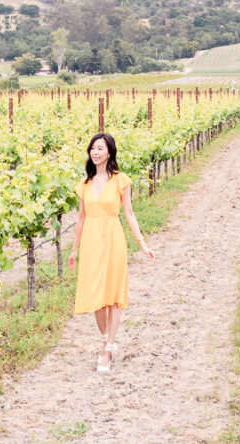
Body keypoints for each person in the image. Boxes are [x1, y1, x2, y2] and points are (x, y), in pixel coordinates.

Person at [68, 133, 155, 372]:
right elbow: (80, 218)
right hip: (91, 240)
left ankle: (108, 348)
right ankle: (106, 337)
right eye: (92, 149)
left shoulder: (120, 181)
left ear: (109, 153)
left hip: (114, 238)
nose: (95, 152)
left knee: (114, 296)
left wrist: (142, 243)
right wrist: (74, 250)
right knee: (95, 296)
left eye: (100, 148)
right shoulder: (85, 184)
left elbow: (129, 214)